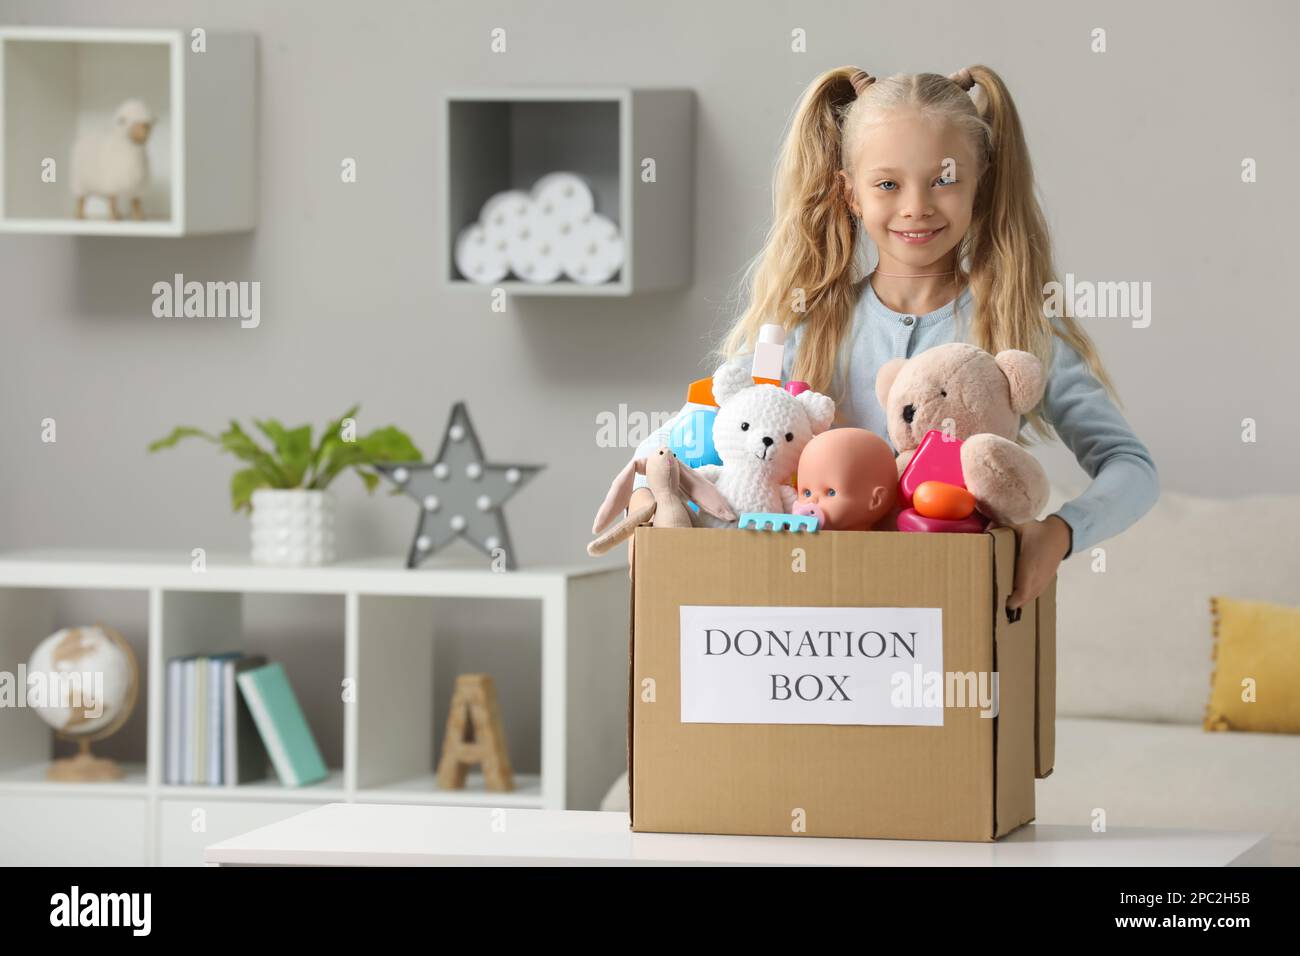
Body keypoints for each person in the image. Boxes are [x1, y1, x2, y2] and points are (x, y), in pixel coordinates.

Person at [628, 65, 1158, 611]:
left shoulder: (1019, 332)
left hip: (955, 618)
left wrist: (1062, 532)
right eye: (887, 184)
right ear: (850, 193)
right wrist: (652, 487)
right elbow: (685, 436)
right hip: (807, 622)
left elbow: (1131, 467)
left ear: (984, 182)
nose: (916, 206)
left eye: (944, 178)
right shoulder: (799, 327)